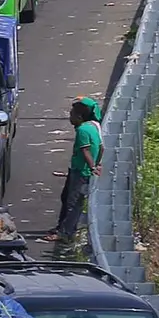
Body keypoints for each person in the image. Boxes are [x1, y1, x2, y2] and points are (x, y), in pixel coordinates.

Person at [50, 95, 102, 249]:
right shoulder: (94, 127)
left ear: (79, 117)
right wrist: (97, 163)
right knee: (68, 198)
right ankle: (63, 229)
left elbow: (85, 151)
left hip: (80, 171)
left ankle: (66, 233)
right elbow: (102, 147)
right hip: (79, 169)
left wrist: (92, 166)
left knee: (73, 203)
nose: (70, 117)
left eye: (71, 114)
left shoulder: (82, 130)